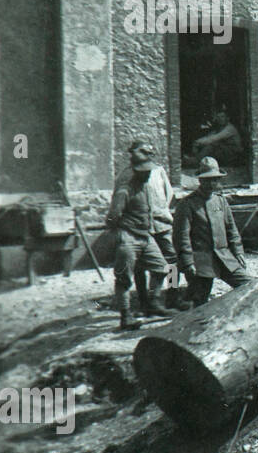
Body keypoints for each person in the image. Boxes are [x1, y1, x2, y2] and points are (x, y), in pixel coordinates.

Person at [106, 147, 171, 330]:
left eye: (149, 171)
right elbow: (112, 217)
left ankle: (155, 302)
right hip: (128, 237)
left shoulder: (147, 186)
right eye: (143, 172)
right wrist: (122, 232)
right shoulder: (124, 190)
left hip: (147, 235)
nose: (147, 174)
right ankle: (126, 316)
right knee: (124, 279)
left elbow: (158, 203)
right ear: (134, 170)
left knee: (163, 268)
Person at [173, 157, 249, 307]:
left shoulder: (221, 201)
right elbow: (182, 237)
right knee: (200, 301)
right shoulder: (187, 204)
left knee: (248, 284)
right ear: (200, 181)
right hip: (201, 260)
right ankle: (181, 303)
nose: (211, 184)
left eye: (214, 180)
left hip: (224, 257)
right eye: (207, 180)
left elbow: (231, 229)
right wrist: (188, 263)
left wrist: (238, 252)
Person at [115, 139, 178, 315]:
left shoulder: (158, 171)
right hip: (140, 229)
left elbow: (169, 193)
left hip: (162, 223)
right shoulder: (126, 176)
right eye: (143, 152)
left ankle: (172, 295)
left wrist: (162, 211)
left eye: (149, 152)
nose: (148, 155)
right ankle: (145, 302)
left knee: (171, 261)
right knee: (140, 267)